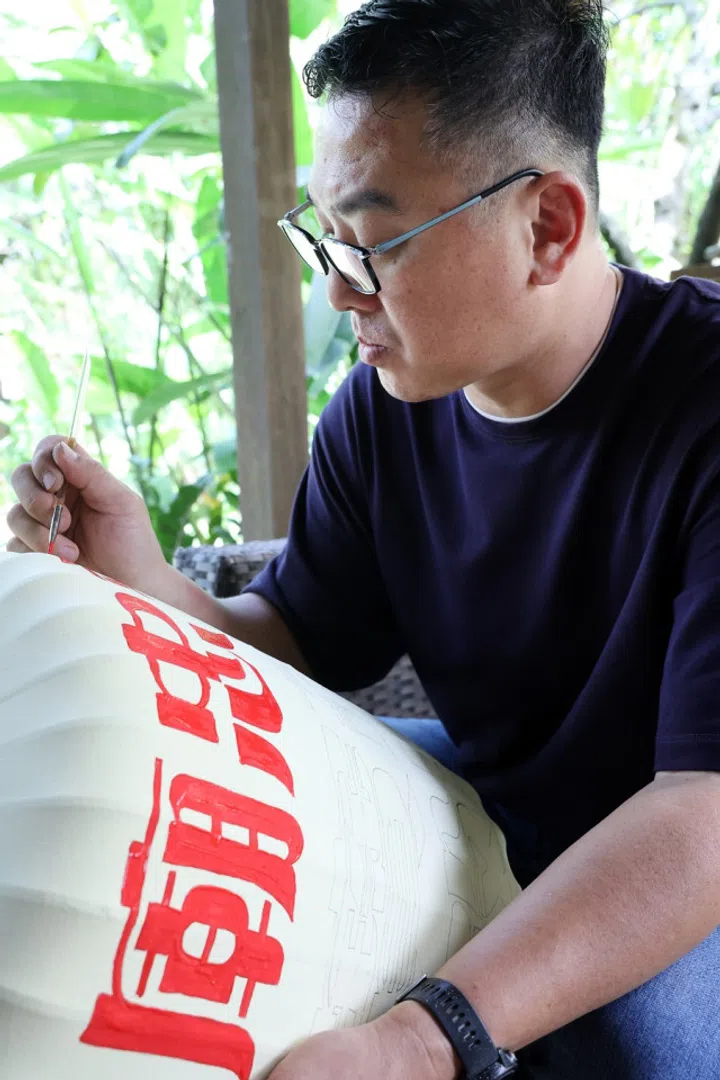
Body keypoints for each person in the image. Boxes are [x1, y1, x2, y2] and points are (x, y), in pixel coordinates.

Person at [7, 1, 720, 1077]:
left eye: (374, 244)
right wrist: (146, 583)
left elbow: (702, 814)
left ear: (550, 228)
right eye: (324, 238)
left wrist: (426, 1035)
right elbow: (296, 639)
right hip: (495, 810)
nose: (338, 289)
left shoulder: (704, 409)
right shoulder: (387, 412)